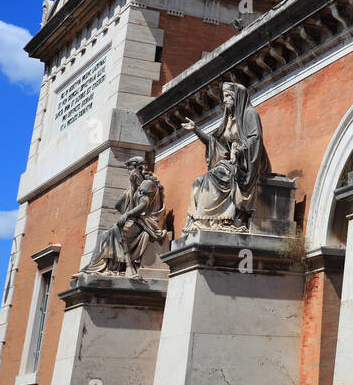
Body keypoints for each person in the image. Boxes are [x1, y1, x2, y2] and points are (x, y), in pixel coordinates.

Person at [181, 81, 271, 230]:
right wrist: (196, 129)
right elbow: (216, 143)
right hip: (231, 163)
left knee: (213, 177)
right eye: (224, 96)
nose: (224, 100)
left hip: (247, 164)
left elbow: (255, 139)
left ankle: (224, 220)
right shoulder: (229, 119)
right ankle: (203, 222)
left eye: (228, 96)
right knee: (198, 181)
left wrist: (239, 149)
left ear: (238, 97)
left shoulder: (250, 114)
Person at [82, 156, 166, 280]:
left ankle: (118, 266)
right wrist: (132, 187)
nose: (129, 173)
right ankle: (95, 268)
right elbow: (118, 205)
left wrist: (127, 214)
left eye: (130, 169)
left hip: (148, 224)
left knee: (115, 231)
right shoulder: (135, 188)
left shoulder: (148, 184)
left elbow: (143, 206)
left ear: (140, 168)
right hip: (138, 222)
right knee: (103, 235)